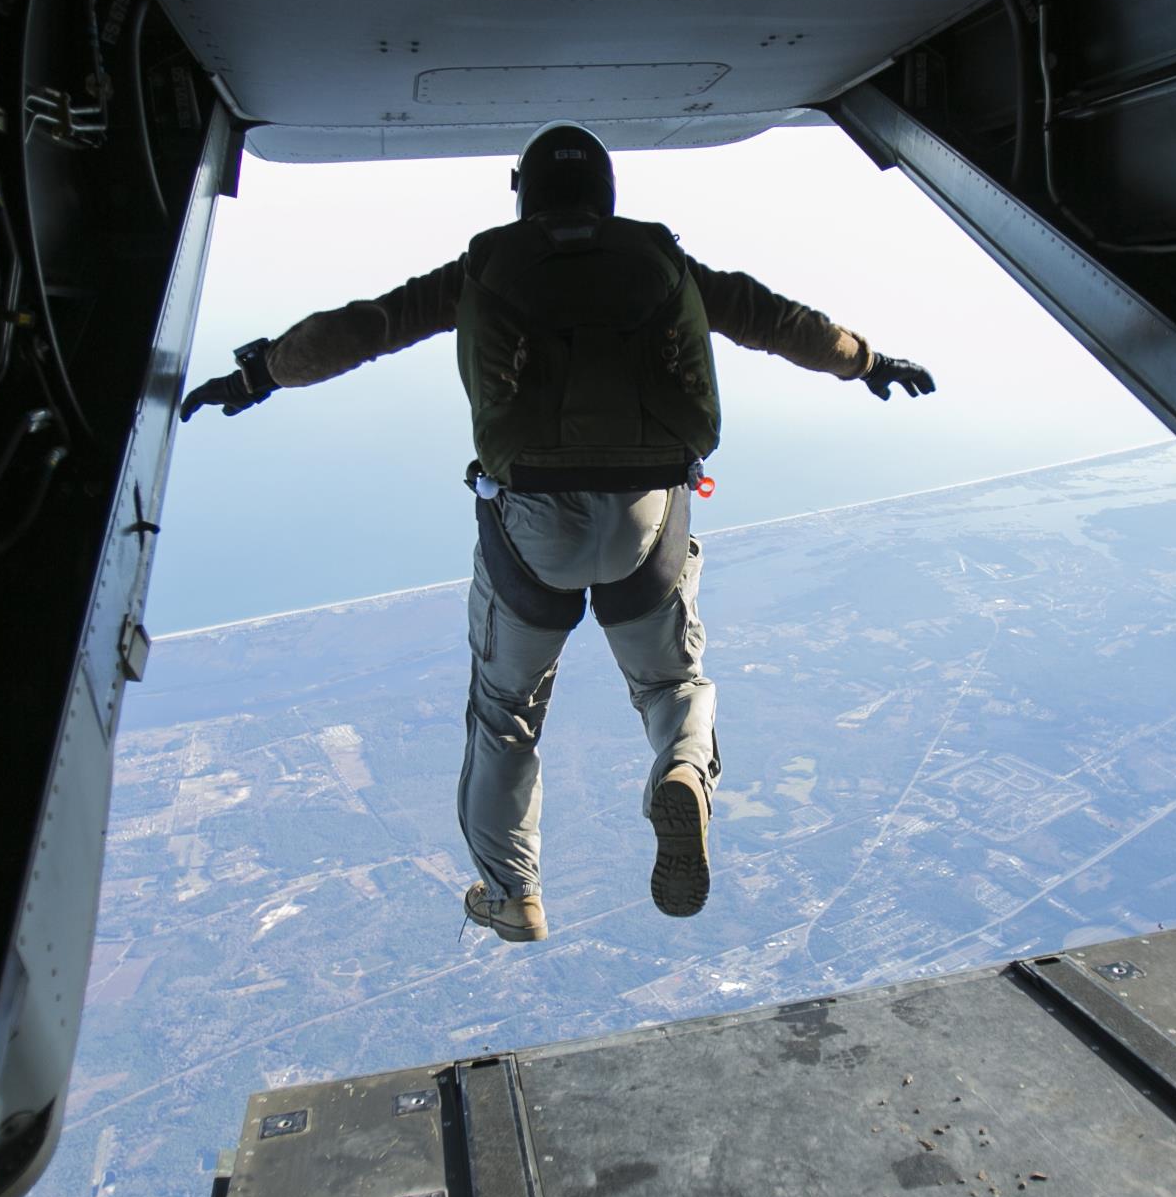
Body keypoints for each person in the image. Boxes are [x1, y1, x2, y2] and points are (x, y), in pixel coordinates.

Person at [178, 123, 935, 943]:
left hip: (532, 521)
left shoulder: (486, 266)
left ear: (524, 192)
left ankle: (513, 893)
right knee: (671, 684)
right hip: (648, 516)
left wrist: (260, 372)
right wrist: (869, 362)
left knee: (506, 710)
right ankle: (681, 769)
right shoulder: (662, 261)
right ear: (605, 192)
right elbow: (780, 320)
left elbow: (361, 328)